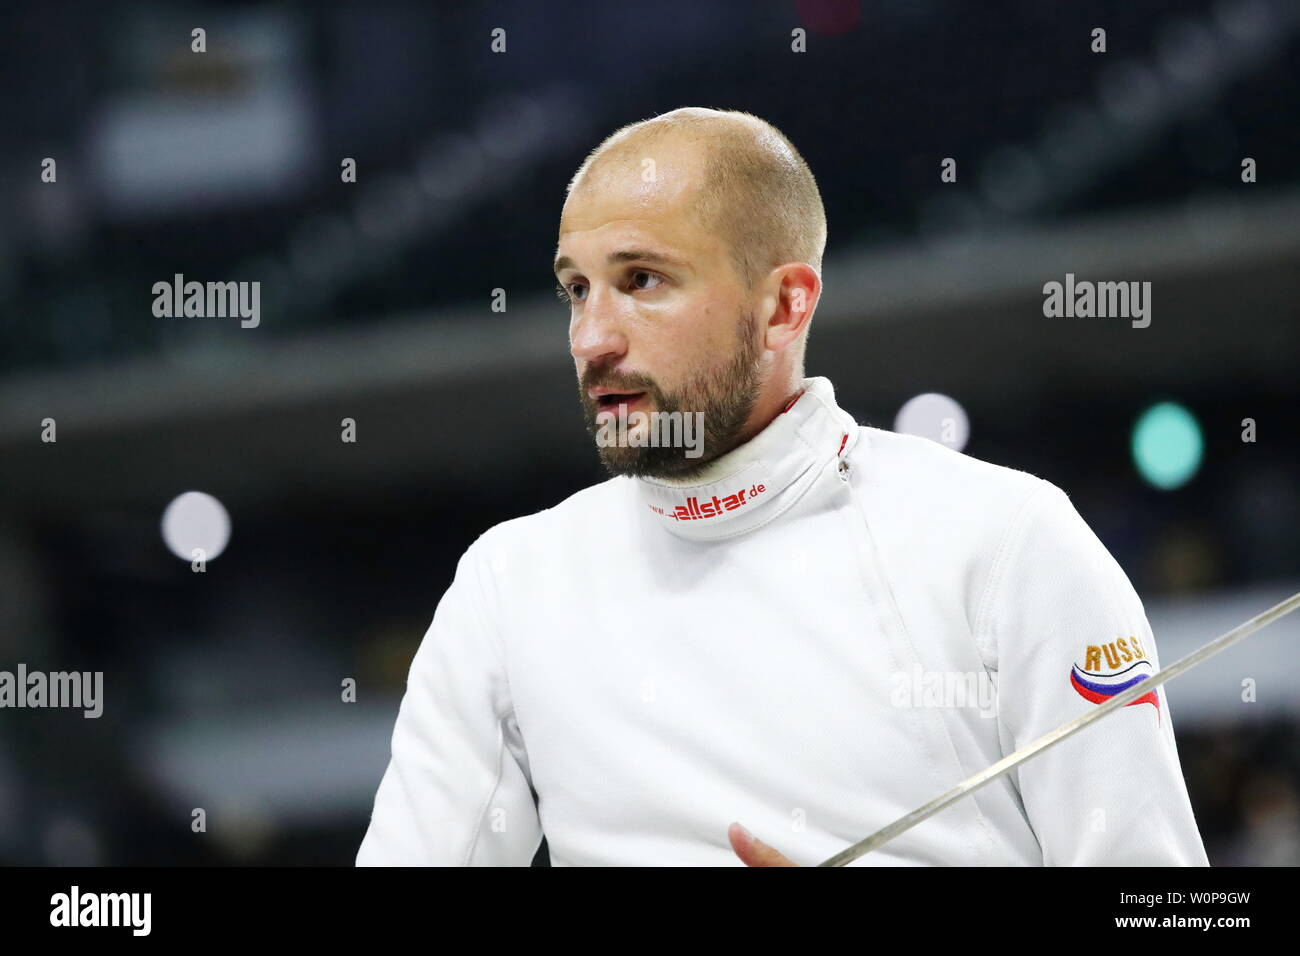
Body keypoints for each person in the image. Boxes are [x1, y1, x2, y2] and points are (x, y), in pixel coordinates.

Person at [356, 107, 1208, 866]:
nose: (591, 339)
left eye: (641, 281)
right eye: (577, 288)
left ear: (784, 306)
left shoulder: (1003, 539)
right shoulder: (512, 585)